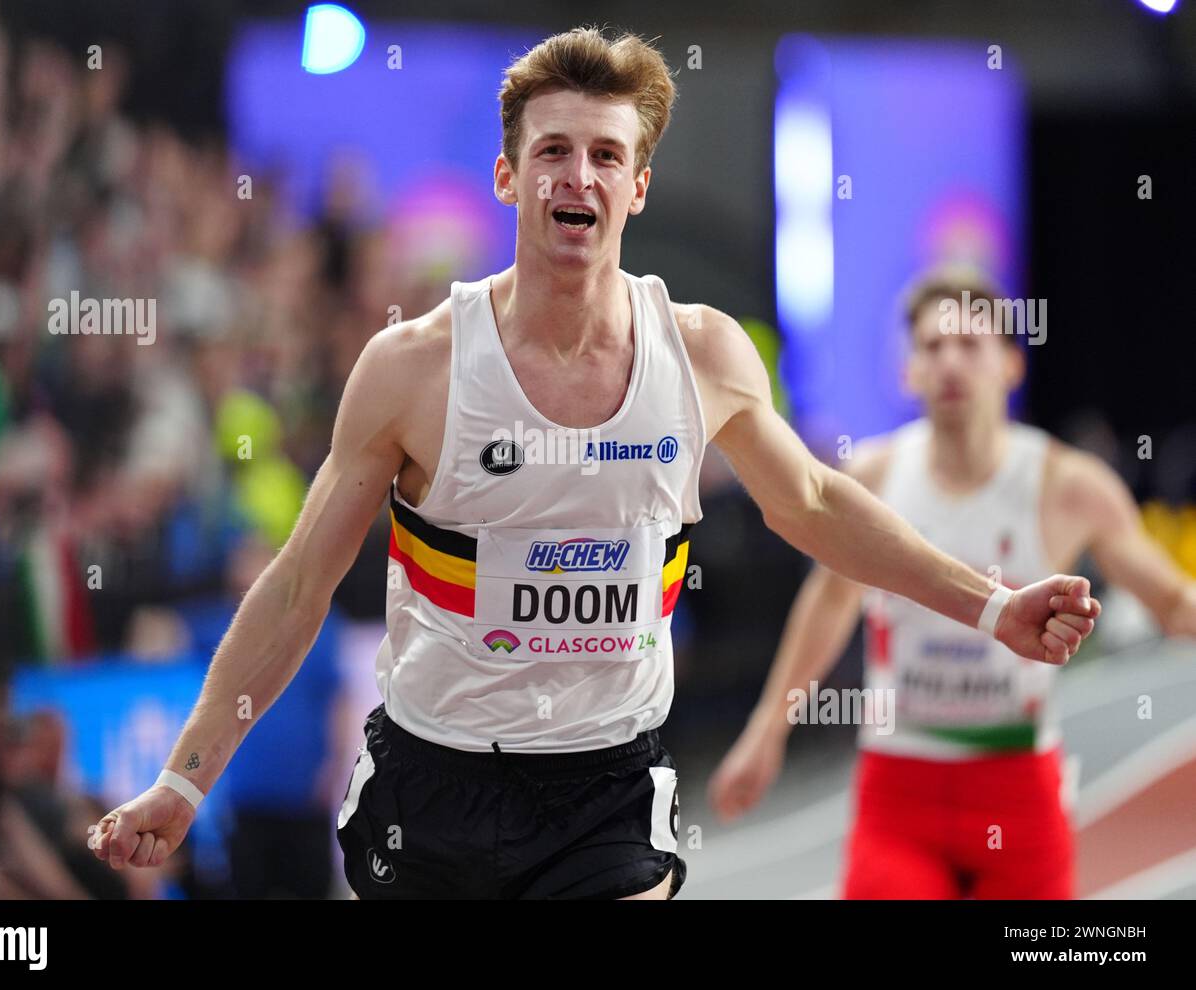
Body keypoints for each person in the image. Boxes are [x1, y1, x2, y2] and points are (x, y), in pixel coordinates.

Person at [92, 29, 1099, 900]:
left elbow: (815, 501)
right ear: (508, 175)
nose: (579, 177)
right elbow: (297, 584)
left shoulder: (701, 354)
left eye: (605, 156)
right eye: (553, 152)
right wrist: (184, 780)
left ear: (637, 185)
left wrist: (988, 605)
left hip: (605, 793)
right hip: (433, 784)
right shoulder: (414, 368)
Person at [708, 266, 1196, 899]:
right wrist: (766, 731)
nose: (950, 364)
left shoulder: (1068, 485)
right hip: (900, 795)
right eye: (933, 348)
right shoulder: (875, 476)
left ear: (1011, 364)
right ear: (909, 371)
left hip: (1018, 799)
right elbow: (828, 604)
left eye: (970, 344)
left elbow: (1172, 600)